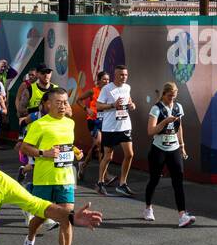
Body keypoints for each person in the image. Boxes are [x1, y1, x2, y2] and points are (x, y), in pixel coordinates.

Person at [20, 87, 85, 245]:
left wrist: (75, 151)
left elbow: (66, 144)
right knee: (40, 217)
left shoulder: (70, 123)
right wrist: (43, 153)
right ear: (48, 104)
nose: (63, 105)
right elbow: (25, 147)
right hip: (44, 179)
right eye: (59, 102)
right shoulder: (39, 125)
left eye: (65, 102)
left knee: (67, 217)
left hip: (65, 178)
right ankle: (30, 238)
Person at [144, 82, 196, 228]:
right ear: (164, 94)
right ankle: (148, 207)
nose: (171, 99)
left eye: (174, 96)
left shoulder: (178, 107)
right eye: (169, 96)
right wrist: (165, 122)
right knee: (154, 180)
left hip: (173, 148)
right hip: (158, 148)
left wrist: (182, 146)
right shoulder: (156, 108)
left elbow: (179, 128)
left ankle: (182, 215)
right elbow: (150, 131)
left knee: (178, 180)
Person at [96, 64, 136, 198]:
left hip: (124, 126)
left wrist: (132, 105)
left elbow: (129, 101)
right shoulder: (107, 89)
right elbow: (98, 106)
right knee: (108, 156)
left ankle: (122, 183)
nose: (124, 77)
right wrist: (113, 105)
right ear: (115, 75)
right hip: (110, 127)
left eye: (125, 75)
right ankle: (100, 182)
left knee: (129, 154)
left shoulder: (127, 87)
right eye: (121, 75)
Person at [78, 70, 109, 182]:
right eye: (104, 79)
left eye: (108, 80)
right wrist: (87, 109)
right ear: (99, 80)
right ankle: (105, 176)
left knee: (99, 146)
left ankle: (83, 165)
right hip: (93, 121)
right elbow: (79, 100)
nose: (106, 81)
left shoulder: (110, 92)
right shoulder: (93, 91)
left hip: (105, 121)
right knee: (99, 143)